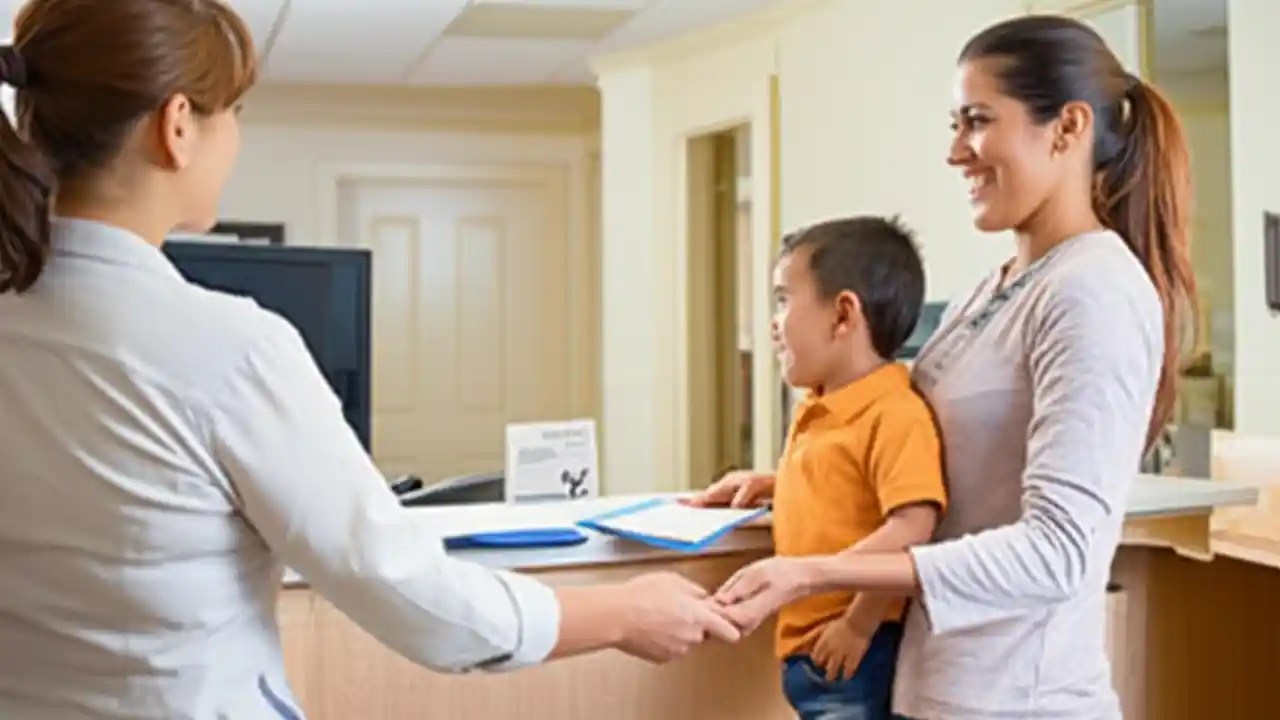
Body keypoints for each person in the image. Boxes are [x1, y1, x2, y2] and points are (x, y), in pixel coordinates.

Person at [0, 1, 736, 718]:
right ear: (179, 125)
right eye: (236, 113)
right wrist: (622, 612)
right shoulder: (226, 351)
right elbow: (406, 593)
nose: (237, 139)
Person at [713, 14, 1196, 720]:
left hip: (1017, 702)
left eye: (976, 121)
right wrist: (802, 481)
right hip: (940, 689)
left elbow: (1057, 552)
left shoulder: (1094, 293)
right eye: (954, 124)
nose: (955, 152)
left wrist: (814, 572)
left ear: (1067, 128)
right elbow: (949, 470)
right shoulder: (999, 284)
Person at [688, 216, 947, 719]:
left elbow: (912, 527)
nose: (773, 322)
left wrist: (859, 622)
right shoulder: (823, 405)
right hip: (809, 649)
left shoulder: (895, 414)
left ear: (843, 314)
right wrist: (772, 483)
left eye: (784, 300)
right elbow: (846, 486)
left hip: (854, 651)